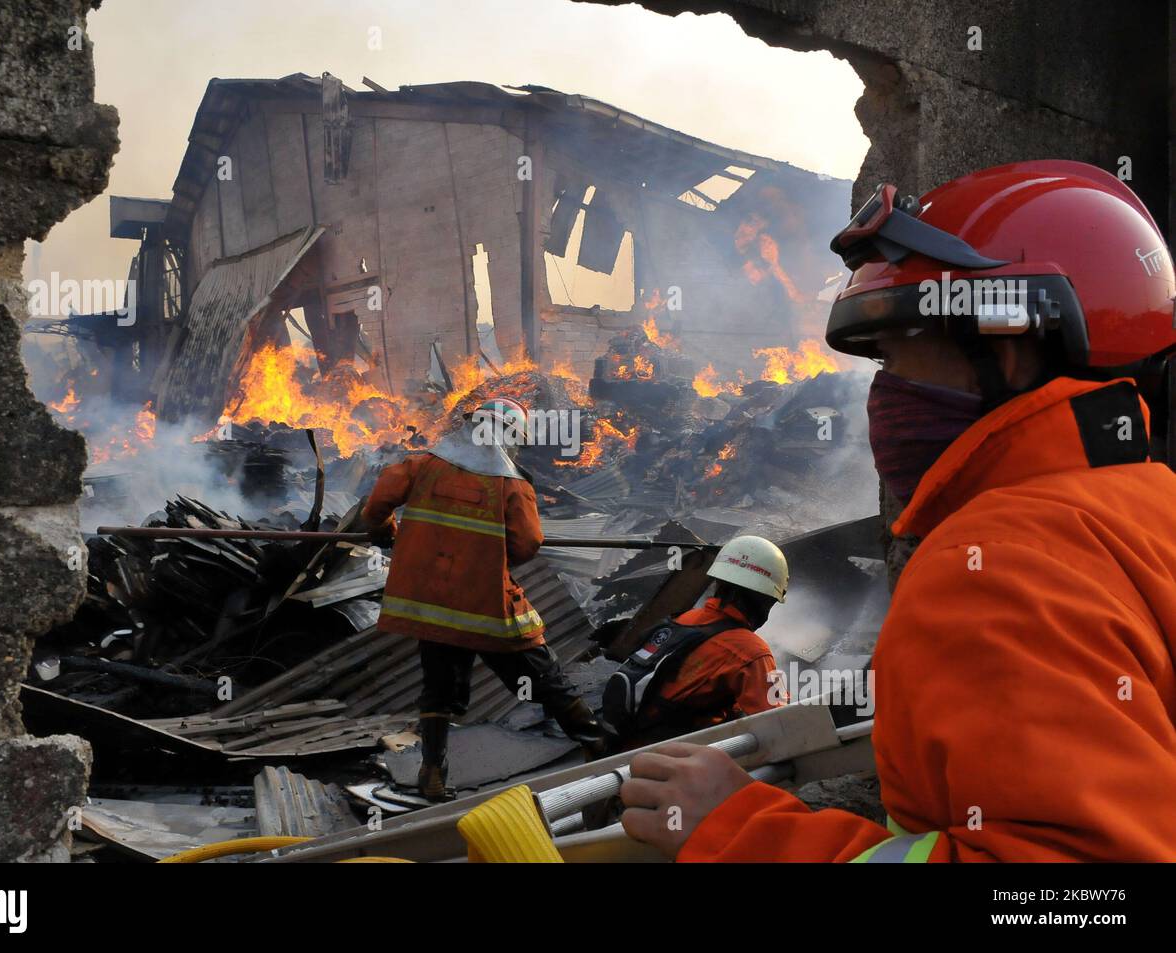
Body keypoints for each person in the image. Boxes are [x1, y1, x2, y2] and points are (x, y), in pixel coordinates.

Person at [620, 160, 1176, 861]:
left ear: (1007, 341)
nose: (883, 396)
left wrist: (742, 829)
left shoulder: (992, 568)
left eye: (899, 356)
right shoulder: (1150, 502)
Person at [363, 395, 606, 800]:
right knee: (541, 676)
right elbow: (527, 546)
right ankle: (597, 742)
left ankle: (432, 774)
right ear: (511, 437)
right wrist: (485, 556)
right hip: (487, 608)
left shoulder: (421, 465)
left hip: (432, 607)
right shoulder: (512, 485)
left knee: (438, 687)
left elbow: (377, 505)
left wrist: (386, 531)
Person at [602, 534, 787, 751]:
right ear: (765, 599)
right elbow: (780, 720)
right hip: (675, 756)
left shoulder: (682, 620)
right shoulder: (752, 651)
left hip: (628, 743)